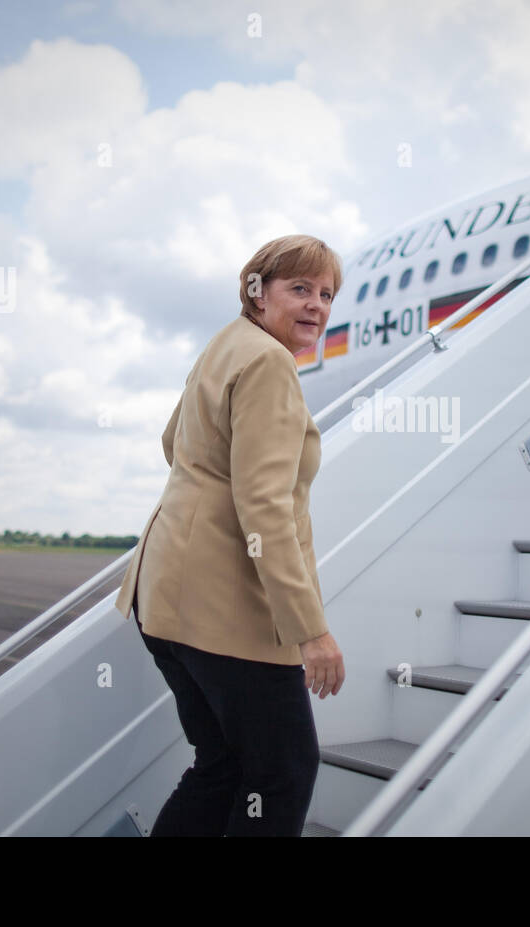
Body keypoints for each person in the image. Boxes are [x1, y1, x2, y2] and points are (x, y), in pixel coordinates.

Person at [113, 233, 346, 836]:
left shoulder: (226, 345)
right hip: (224, 616)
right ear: (257, 292)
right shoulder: (269, 362)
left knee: (220, 765)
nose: (317, 305)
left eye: (326, 293)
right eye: (299, 288)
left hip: (161, 599)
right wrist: (311, 631)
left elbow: (173, 444)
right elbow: (264, 507)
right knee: (284, 773)